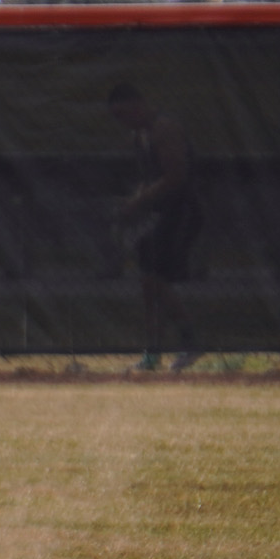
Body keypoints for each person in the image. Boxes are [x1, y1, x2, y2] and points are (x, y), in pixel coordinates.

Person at [106, 82, 204, 372]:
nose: (122, 122)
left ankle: (190, 343)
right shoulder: (140, 136)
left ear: (139, 104)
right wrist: (135, 200)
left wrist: (140, 201)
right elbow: (152, 179)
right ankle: (153, 352)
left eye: (124, 114)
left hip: (181, 212)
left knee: (156, 281)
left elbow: (176, 175)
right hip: (159, 213)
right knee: (147, 282)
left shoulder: (164, 129)